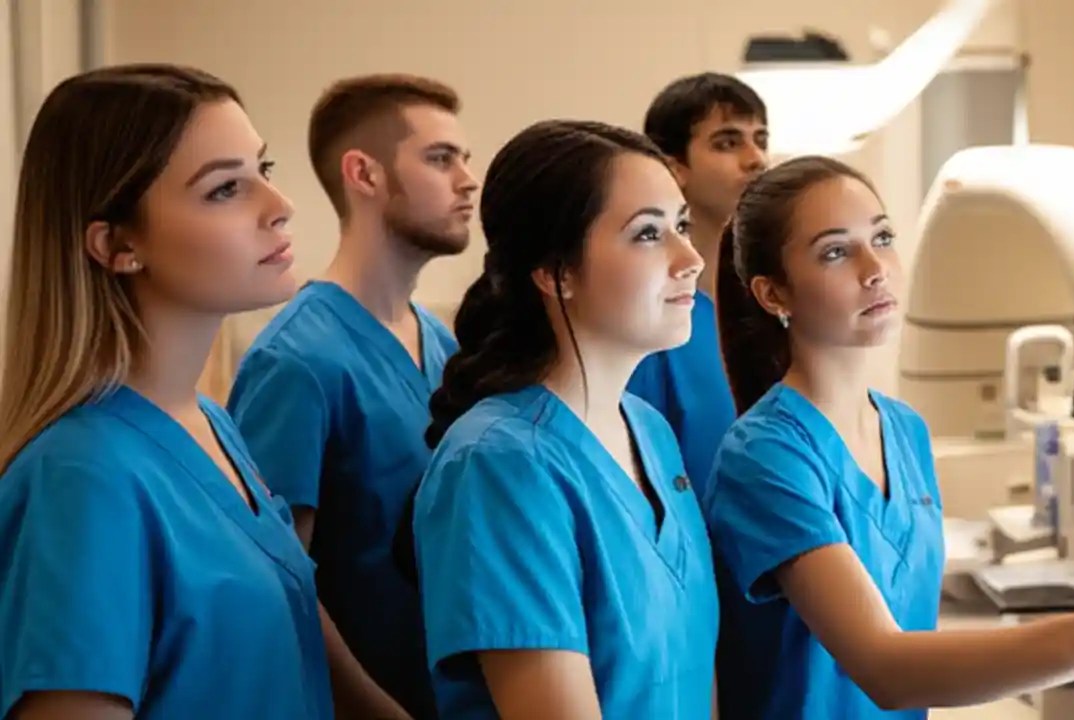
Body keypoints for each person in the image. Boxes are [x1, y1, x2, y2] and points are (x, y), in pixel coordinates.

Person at [705, 155, 1074, 719]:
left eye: (882, 237)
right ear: (773, 294)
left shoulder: (903, 430)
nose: (874, 268)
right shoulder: (766, 456)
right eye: (835, 251)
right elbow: (887, 669)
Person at [0, 64, 332, 719]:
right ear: (118, 244)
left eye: (263, 169)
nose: (280, 205)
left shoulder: (207, 423)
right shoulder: (84, 478)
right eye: (226, 189)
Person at [414, 120, 718, 719]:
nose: (690, 258)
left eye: (680, 225)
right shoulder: (500, 463)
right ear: (556, 273)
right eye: (648, 233)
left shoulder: (650, 432)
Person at [226, 74, 477, 720]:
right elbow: (278, 585)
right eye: (441, 159)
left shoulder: (444, 347)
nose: (468, 180)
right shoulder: (297, 362)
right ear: (364, 174)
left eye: (465, 159)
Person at [627, 72, 769, 497]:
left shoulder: (766, 306)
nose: (756, 159)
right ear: (674, 168)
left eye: (760, 139)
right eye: (727, 142)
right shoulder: (655, 323)